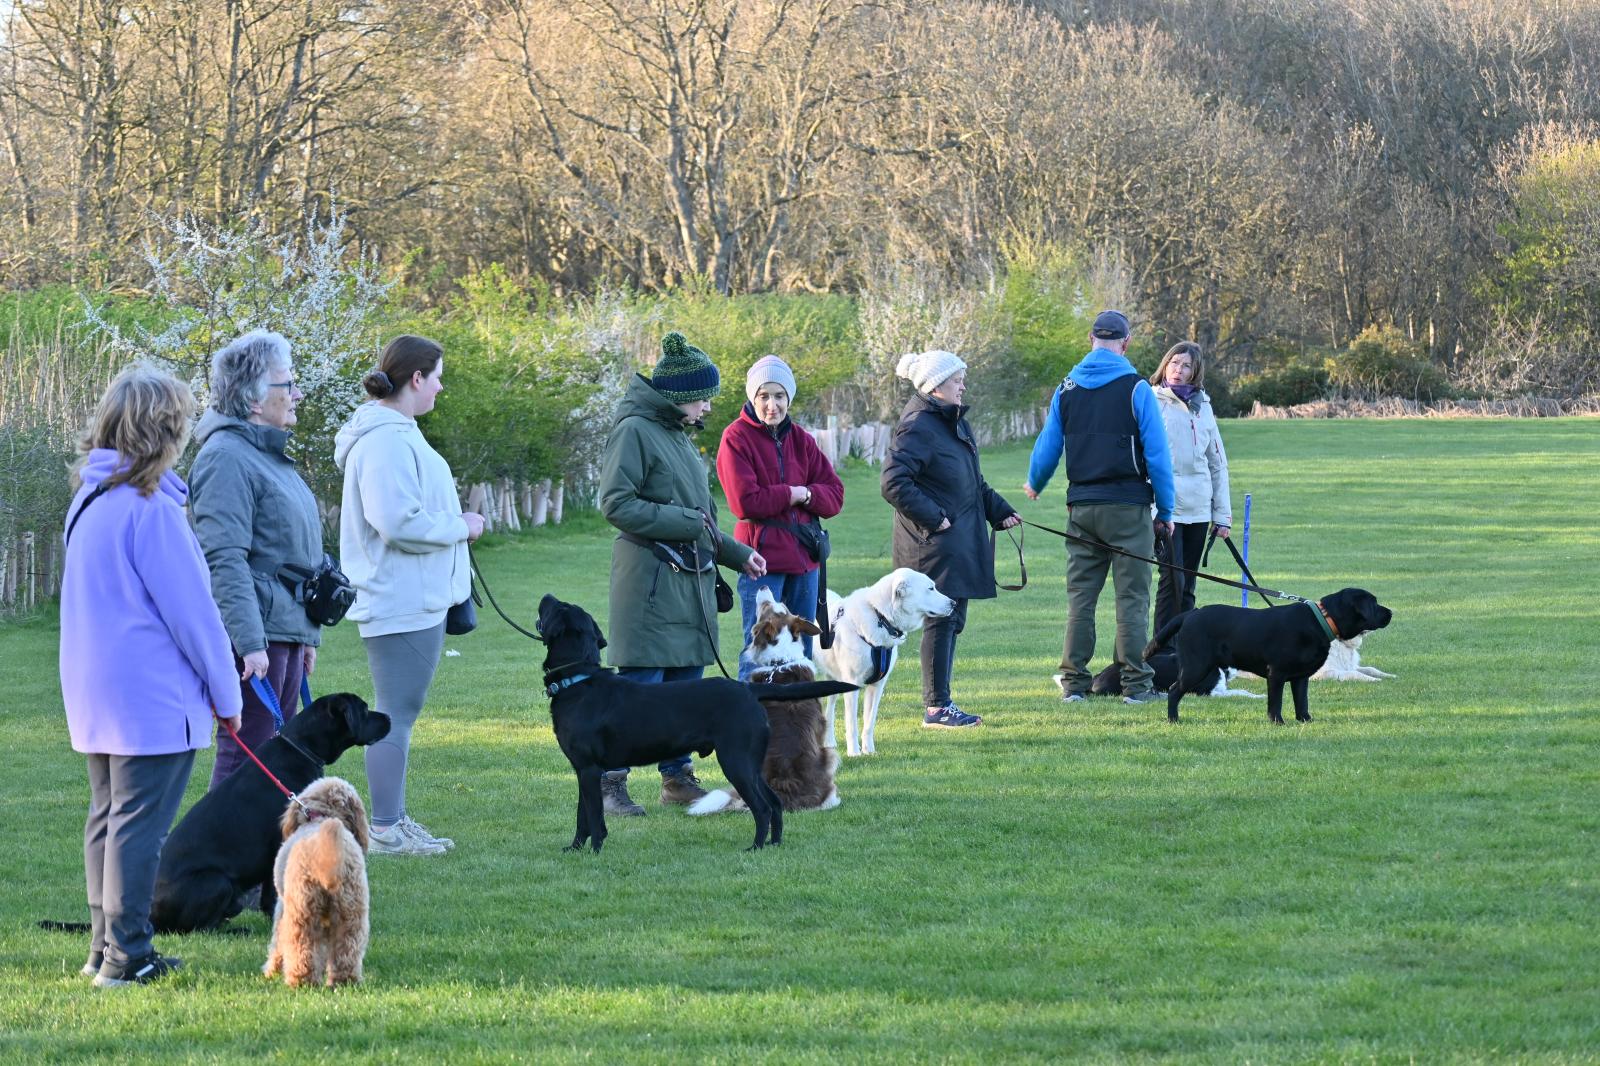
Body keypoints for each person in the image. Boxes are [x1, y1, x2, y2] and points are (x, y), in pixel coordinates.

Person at [59, 365, 243, 987]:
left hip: (96, 691)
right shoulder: (151, 511)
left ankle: (103, 947)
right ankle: (127, 954)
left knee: (109, 818)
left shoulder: (89, 500)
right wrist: (227, 694)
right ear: (166, 430)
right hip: (149, 697)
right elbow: (196, 617)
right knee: (138, 827)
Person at [597, 331, 765, 816]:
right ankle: (610, 785)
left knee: (684, 688)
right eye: (702, 398)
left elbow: (701, 519)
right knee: (640, 690)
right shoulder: (634, 430)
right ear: (678, 395)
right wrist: (687, 523)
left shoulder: (674, 433)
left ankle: (677, 778)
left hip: (689, 582)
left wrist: (737, 554)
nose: (708, 407)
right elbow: (615, 503)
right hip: (650, 584)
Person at [334, 335, 485, 856]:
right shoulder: (386, 441)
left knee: (400, 713)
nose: (441, 387)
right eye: (437, 377)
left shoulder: (398, 434)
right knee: (395, 715)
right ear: (416, 378)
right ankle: (384, 828)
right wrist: (462, 526)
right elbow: (396, 521)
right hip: (399, 598)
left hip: (413, 596)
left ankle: (392, 819)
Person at [188, 330, 323, 790]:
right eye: (288, 384)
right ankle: (214, 841)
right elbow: (224, 559)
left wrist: (306, 634)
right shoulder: (226, 459)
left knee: (273, 769)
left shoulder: (266, 456)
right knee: (246, 766)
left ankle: (262, 842)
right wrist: (248, 642)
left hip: (283, 634)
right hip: (258, 641)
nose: (297, 394)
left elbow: (290, 552)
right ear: (253, 399)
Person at [1024, 310, 1175, 705]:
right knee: (1132, 600)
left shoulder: (1066, 388)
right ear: (1126, 343)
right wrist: (1166, 511)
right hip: (1128, 509)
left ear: (1090, 339)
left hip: (1082, 508)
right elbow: (1158, 456)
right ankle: (1136, 687)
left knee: (1081, 599)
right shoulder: (1136, 388)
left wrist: (1035, 482)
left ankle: (1073, 685)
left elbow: (1048, 443)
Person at [880, 349, 1021, 729]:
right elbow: (893, 483)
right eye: (957, 380)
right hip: (933, 544)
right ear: (936, 386)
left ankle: (940, 703)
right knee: (942, 621)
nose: (963, 386)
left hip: (956, 540)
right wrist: (936, 518)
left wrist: (1000, 510)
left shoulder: (952, 422)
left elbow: (972, 482)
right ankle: (937, 707)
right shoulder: (918, 426)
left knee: (952, 619)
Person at [716, 354, 844, 678]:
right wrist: (793, 493)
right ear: (753, 397)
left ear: (789, 398)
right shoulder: (736, 438)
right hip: (761, 561)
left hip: (805, 562)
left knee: (800, 651)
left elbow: (834, 496)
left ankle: (799, 710)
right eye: (764, 396)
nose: (771, 405)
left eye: (779, 396)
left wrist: (807, 494)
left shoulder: (802, 440)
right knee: (759, 648)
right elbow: (746, 502)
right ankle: (754, 710)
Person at [1149, 341, 1232, 633]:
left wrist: (1222, 516)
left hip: (1199, 508)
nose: (1178, 370)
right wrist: (1154, 508)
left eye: (1186, 366)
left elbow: (1218, 463)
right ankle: (1161, 649)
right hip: (1165, 507)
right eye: (1174, 363)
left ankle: (1184, 648)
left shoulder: (1203, 406)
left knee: (1188, 584)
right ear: (1165, 365)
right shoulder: (1150, 401)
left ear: (1195, 372)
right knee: (1172, 581)